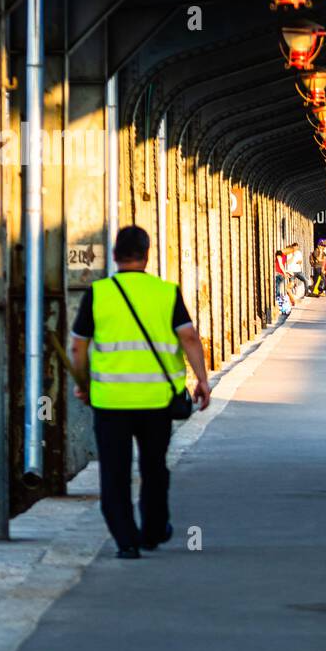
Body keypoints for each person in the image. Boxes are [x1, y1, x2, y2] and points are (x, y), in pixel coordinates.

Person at [70, 225, 211, 559]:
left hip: (110, 402)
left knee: (114, 472)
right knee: (153, 467)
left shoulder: (98, 293)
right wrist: (202, 380)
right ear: (147, 255)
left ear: (116, 255)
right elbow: (189, 337)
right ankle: (153, 530)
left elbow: (77, 348)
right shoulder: (166, 292)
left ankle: (126, 540)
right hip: (156, 401)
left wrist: (83, 385)